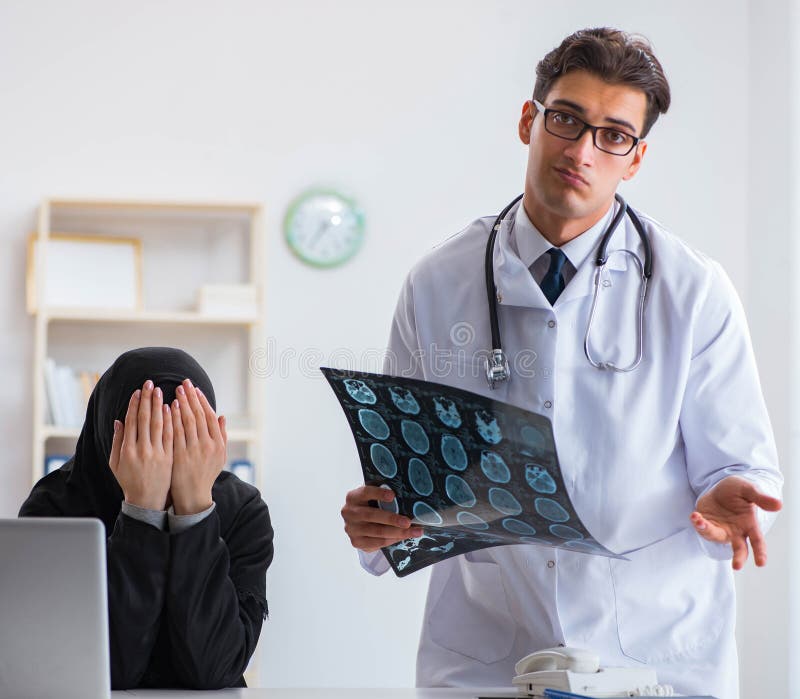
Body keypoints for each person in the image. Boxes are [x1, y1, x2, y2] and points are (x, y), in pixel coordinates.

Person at [340, 27, 782, 699]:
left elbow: (743, 470)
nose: (582, 150)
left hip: (652, 653)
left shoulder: (693, 290)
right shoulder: (437, 283)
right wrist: (378, 522)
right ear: (530, 120)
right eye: (567, 119)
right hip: (486, 658)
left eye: (613, 135)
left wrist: (729, 500)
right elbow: (402, 486)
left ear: (634, 159)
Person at [20, 347, 273, 690]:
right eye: (145, 442)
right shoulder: (55, 508)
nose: (164, 461)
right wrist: (142, 509)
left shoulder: (243, 511)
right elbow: (107, 671)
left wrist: (196, 508)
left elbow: (214, 669)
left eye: (184, 439)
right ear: (109, 438)